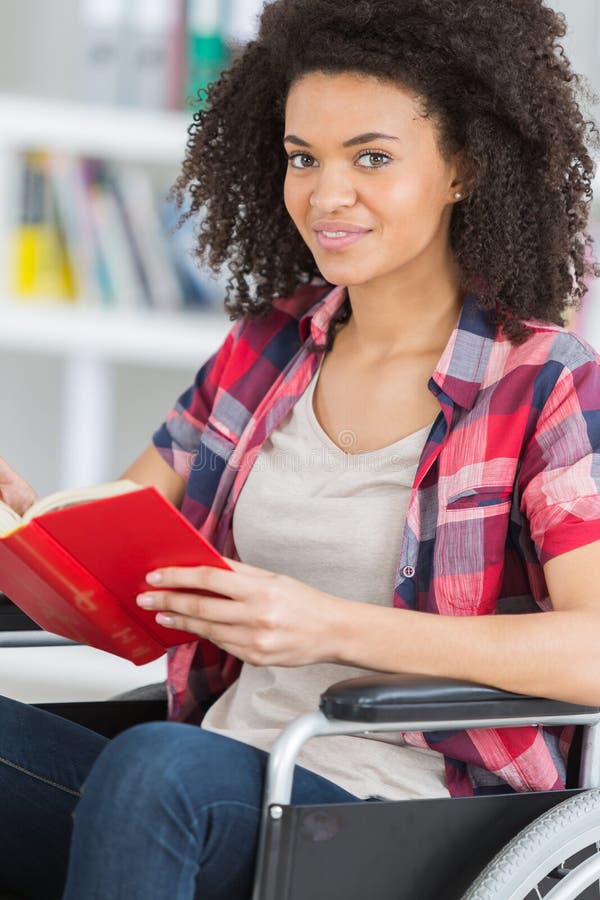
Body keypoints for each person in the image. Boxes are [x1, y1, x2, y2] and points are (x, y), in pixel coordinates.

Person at [1, 0, 600, 897]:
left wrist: (332, 627)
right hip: (211, 778)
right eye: (303, 158)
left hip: (400, 811)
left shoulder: (547, 383)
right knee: (157, 769)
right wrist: (28, 537)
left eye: (373, 158)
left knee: (159, 770)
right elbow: (122, 578)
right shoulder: (266, 348)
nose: (327, 194)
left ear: (464, 168)